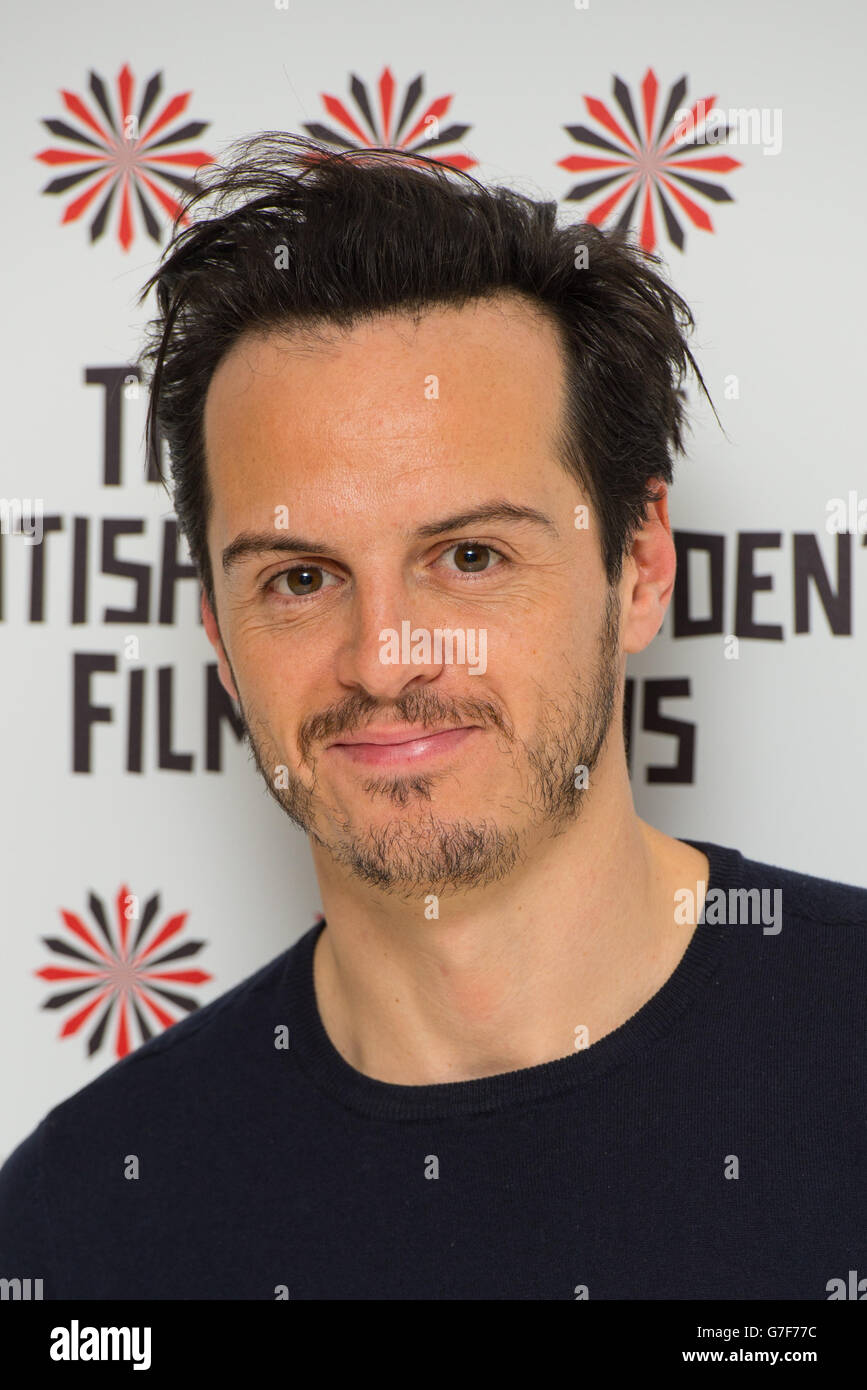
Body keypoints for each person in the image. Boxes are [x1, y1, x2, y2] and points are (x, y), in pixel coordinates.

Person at [1, 134, 864, 1300]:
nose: (384, 658)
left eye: (469, 555)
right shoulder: (83, 1221)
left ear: (642, 566)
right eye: (299, 578)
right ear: (215, 627)